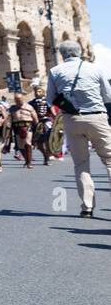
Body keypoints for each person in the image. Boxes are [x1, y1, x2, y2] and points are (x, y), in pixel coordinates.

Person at [45, 40, 111, 217]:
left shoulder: (55, 71)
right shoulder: (95, 69)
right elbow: (108, 96)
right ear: (80, 52)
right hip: (96, 116)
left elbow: (50, 99)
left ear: (62, 54)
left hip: (72, 119)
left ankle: (87, 207)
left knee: (81, 164)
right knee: (110, 161)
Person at [9, 92, 39, 169]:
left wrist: (37, 129)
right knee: (20, 146)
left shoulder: (29, 107)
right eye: (16, 99)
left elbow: (35, 119)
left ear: (23, 99)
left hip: (28, 126)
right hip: (17, 127)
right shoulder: (12, 108)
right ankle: (27, 160)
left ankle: (29, 163)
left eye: (19, 99)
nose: (18, 101)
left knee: (27, 143)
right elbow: (8, 119)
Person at [29, 81, 53, 165]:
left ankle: (48, 156)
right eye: (36, 91)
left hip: (47, 121)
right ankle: (45, 156)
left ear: (43, 92)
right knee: (39, 143)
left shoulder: (48, 102)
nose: (37, 93)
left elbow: (53, 112)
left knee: (48, 141)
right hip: (36, 122)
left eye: (39, 91)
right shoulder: (31, 103)